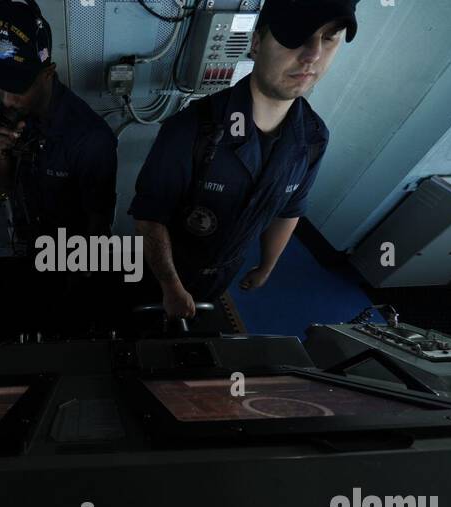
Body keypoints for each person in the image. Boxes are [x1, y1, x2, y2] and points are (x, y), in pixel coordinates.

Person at [129, 0, 358, 319]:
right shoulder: (191, 128)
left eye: (329, 37)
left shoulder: (313, 138)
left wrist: (266, 265)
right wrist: (170, 285)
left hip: (225, 269)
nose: (313, 55)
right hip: (159, 269)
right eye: (296, 37)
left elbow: (289, 209)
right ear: (256, 43)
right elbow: (150, 217)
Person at [0, 0, 119, 335]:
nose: (7, 100)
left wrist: (82, 279)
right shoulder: (13, 116)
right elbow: (7, 187)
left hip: (73, 253)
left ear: (48, 72)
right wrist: (0, 153)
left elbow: (98, 223)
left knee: (72, 325)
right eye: (0, 86)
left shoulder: (89, 138)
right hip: (30, 242)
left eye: (18, 88)